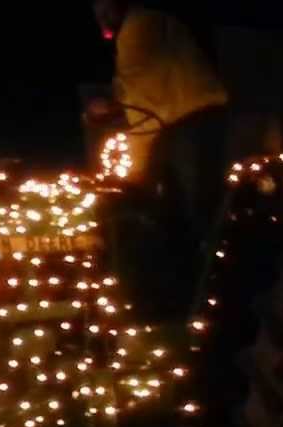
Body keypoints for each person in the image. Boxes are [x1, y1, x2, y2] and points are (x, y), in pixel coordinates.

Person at [92, 0, 231, 320]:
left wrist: (136, 177)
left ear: (114, 8)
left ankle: (205, 295)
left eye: (102, 12)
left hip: (190, 118)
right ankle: (197, 289)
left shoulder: (136, 30)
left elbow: (145, 109)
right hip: (192, 116)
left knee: (198, 208)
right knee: (183, 206)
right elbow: (144, 90)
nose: (100, 21)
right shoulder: (150, 23)